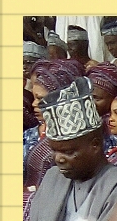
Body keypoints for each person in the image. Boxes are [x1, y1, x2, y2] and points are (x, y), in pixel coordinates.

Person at [26, 77, 117, 221]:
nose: (59, 159)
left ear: (95, 145)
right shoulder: (52, 178)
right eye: (55, 151)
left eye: (68, 152)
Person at [24, 59, 84, 192]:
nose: (34, 104)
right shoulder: (30, 134)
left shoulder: (77, 139)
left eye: (40, 98)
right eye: (34, 98)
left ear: (60, 99)